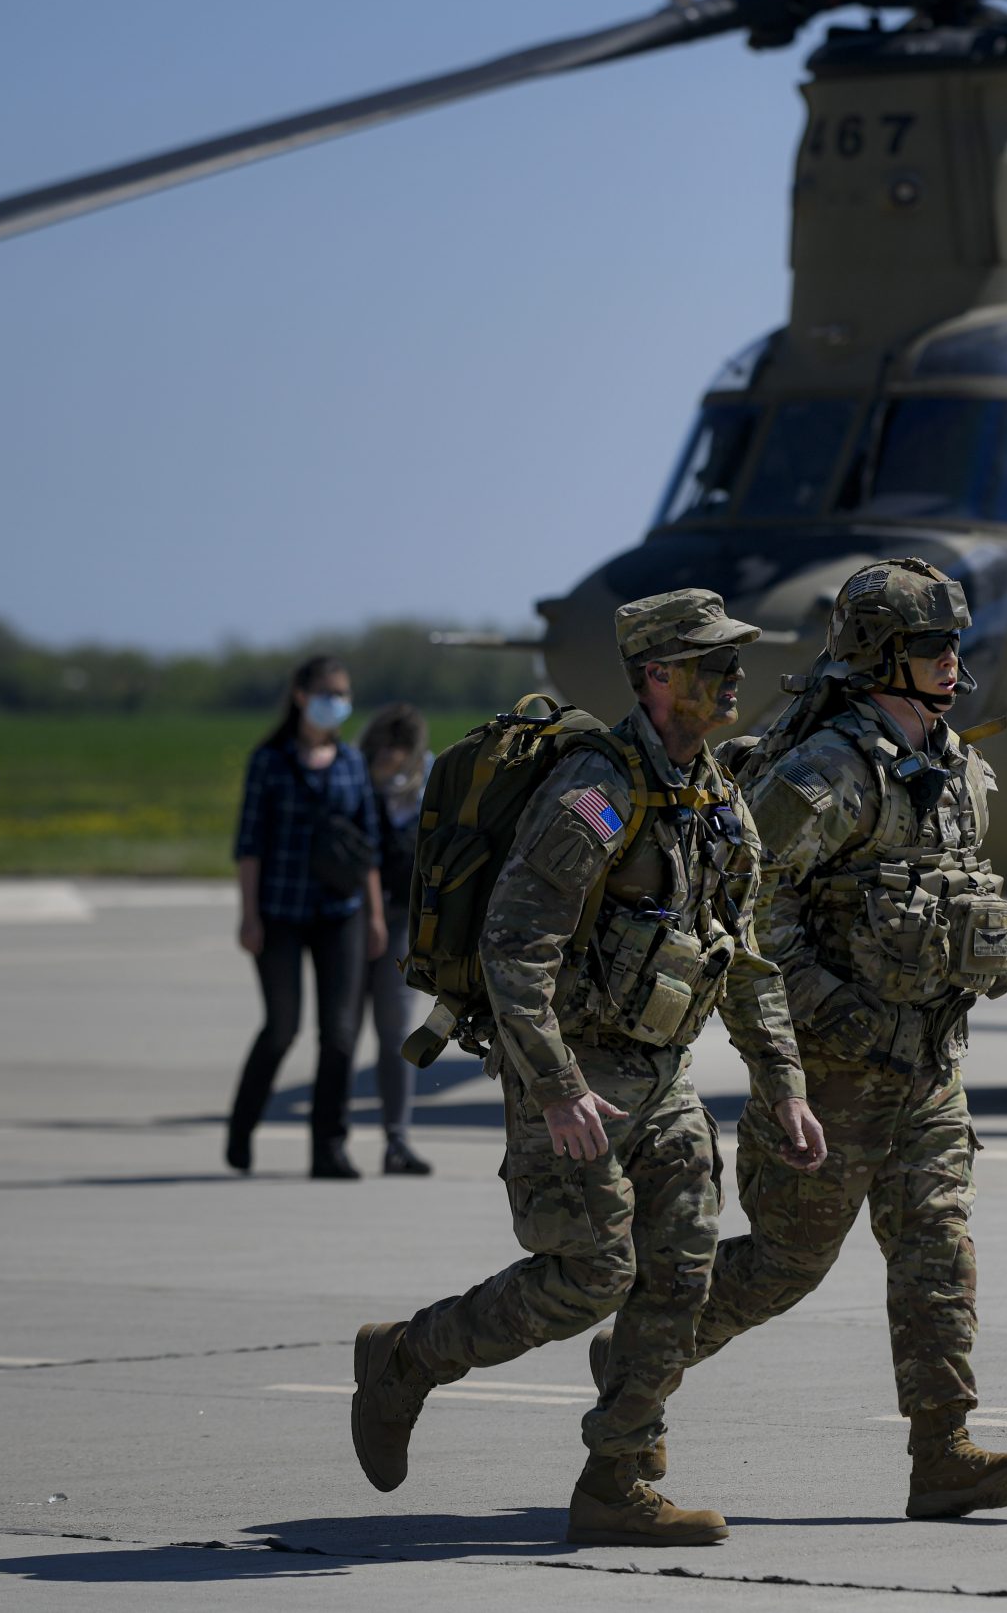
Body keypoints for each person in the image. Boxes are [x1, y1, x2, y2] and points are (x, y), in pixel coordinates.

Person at [349, 589, 828, 1548]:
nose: (734, 677)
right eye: (710, 663)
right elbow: (512, 951)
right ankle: (409, 1356)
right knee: (590, 1275)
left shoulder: (717, 799)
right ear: (656, 677)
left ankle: (618, 1480)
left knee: (681, 1273)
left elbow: (744, 956)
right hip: (573, 1074)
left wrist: (783, 1082)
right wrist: (557, 1086)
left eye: (734, 660)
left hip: (662, 1076)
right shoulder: (594, 796)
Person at [623, 557, 1007, 1521]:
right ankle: (641, 1357)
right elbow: (745, 910)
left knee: (939, 1245)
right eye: (933, 644)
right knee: (780, 1267)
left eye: (953, 642)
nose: (951, 658)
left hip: (929, 1065)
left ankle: (944, 1450)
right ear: (880, 654)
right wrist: (834, 1015)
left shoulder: (955, 764)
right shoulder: (826, 772)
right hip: (836, 1070)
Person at [228, 655, 386, 1180]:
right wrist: (248, 915)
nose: (336, 701)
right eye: (326, 692)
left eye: (342, 693)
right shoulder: (269, 762)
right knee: (282, 1028)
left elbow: (368, 847)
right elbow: (248, 846)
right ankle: (242, 1124)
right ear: (300, 695)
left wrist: (376, 917)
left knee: (340, 1034)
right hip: (279, 913)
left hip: (340, 913)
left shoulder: (350, 762)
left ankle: (329, 1147)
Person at [357, 703, 432, 1176]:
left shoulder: (426, 781)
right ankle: (332, 1141)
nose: (393, 759)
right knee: (339, 1031)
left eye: (402, 750)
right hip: (348, 918)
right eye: (386, 748)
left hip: (400, 921)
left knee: (394, 1031)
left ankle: (396, 1139)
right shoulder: (352, 776)